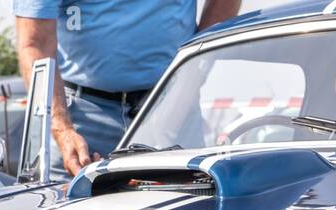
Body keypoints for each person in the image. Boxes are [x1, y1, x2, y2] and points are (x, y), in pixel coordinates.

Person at [14, 0, 242, 177]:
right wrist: (63, 130)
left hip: (174, 107)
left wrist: (191, 80)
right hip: (80, 120)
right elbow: (35, 44)